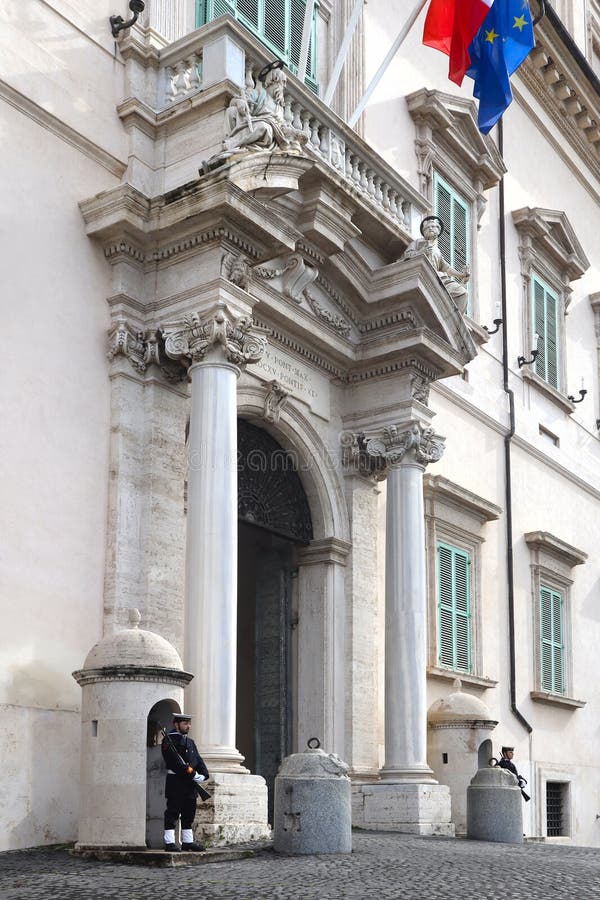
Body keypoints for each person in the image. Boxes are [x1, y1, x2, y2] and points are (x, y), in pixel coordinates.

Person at [161, 712, 209, 851]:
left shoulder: (190, 742)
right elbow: (174, 762)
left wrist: (204, 775)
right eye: (185, 723)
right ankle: (169, 842)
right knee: (173, 812)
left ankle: (187, 842)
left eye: (189, 723)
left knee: (189, 813)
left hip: (190, 784)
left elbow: (198, 760)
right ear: (176, 725)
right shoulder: (169, 741)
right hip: (176, 782)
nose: (188, 726)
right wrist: (192, 774)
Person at [402, 215, 470, 313]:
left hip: (438, 278)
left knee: (463, 293)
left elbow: (446, 268)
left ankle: (455, 320)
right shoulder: (417, 242)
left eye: (433, 227)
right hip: (424, 275)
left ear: (438, 231)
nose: (430, 228)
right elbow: (407, 255)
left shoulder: (437, 250)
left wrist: (461, 275)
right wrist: (421, 252)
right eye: (427, 227)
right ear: (423, 232)